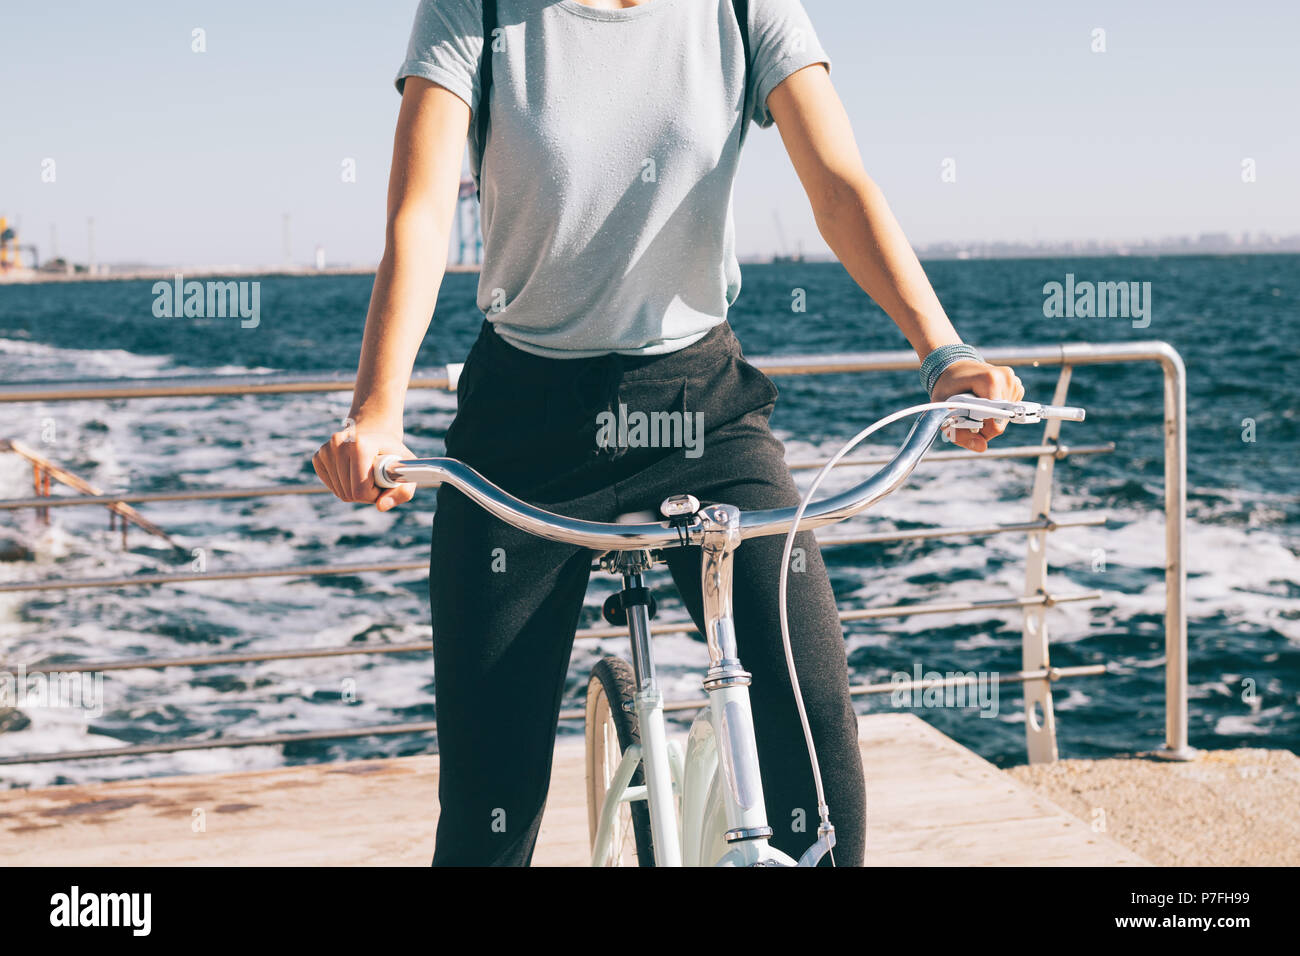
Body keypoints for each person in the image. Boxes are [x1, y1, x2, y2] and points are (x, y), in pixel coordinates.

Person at [312, 0, 1024, 866]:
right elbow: (422, 215)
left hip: (700, 410)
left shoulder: (743, 8)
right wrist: (376, 410)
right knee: (488, 805)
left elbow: (839, 186)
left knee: (813, 735)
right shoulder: (477, 9)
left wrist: (944, 354)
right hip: (521, 428)